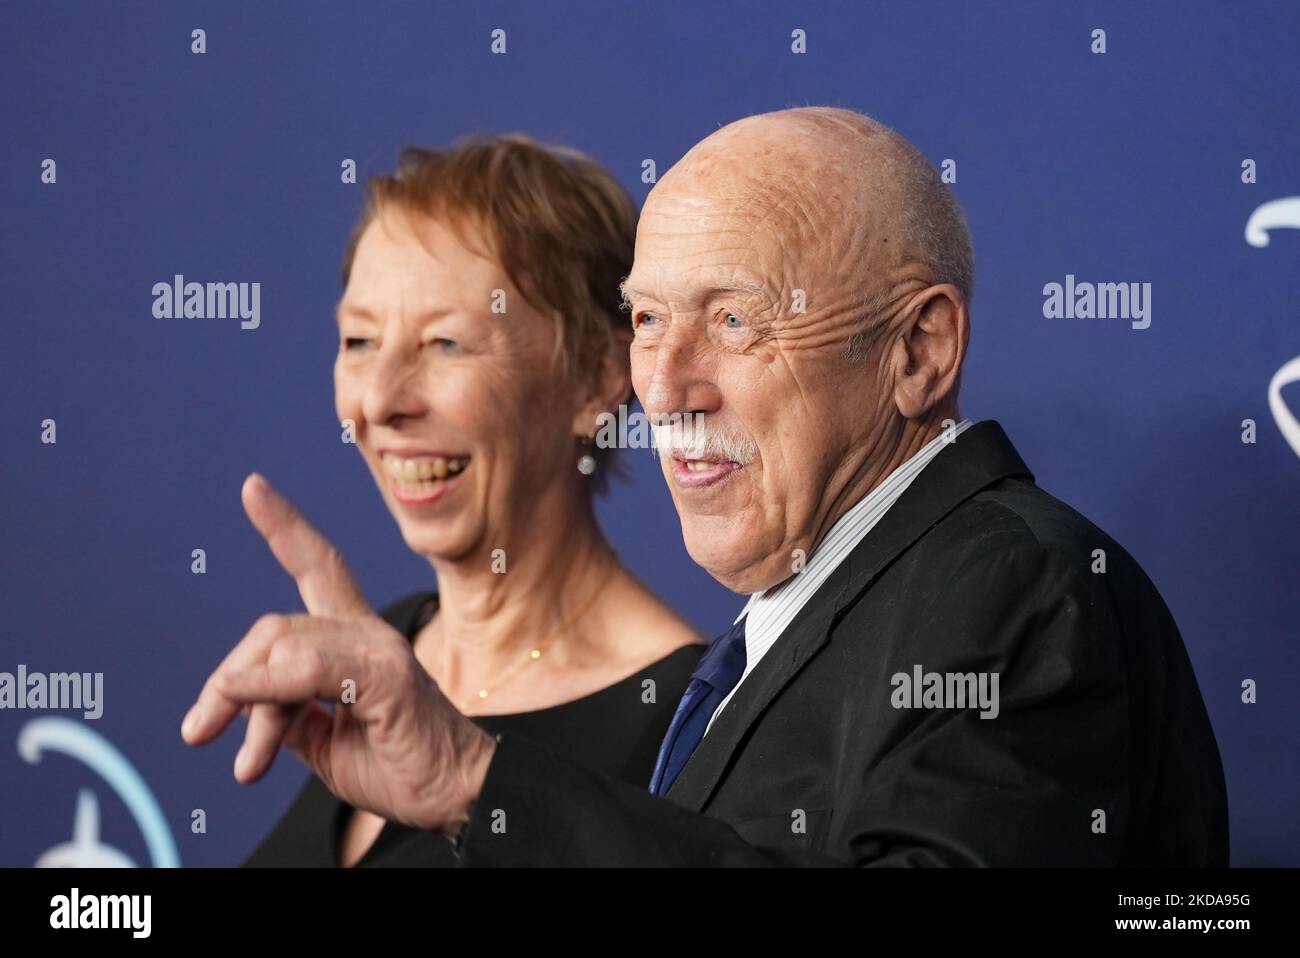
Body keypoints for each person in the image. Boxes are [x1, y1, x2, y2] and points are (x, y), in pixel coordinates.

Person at [185, 107, 1228, 866]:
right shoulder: (794, 623)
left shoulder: (1017, 579)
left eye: (735, 320)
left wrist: (474, 779)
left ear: (920, 349)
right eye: (647, 319)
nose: (668, 384)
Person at [236, 134, 704, 867]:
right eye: (359, 341)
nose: (381, 401)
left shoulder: (683, 723)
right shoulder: (387, 644)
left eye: (446, 344)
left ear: (598, 377)